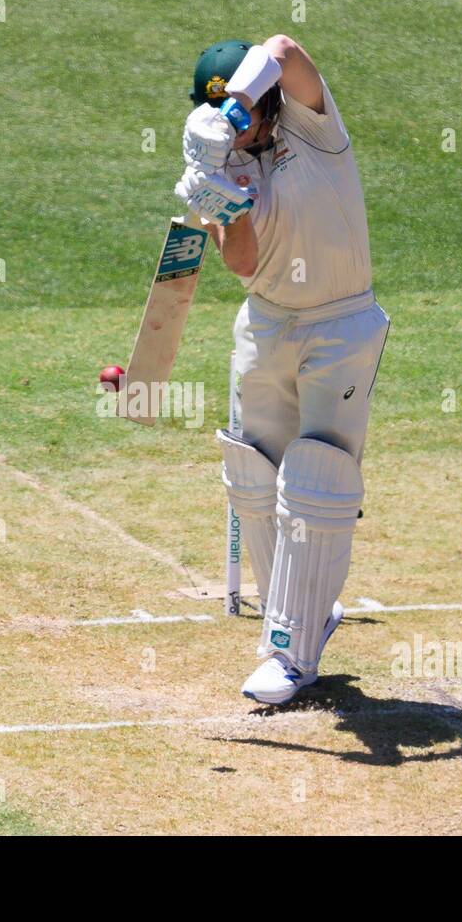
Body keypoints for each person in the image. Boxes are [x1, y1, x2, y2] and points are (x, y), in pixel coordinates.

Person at [175, 36, 389, 705]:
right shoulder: (224, 163)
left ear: (261, 103)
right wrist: (221, 200)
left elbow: (285, 48)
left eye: (239, 118)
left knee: (316, 478)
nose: (231, 134)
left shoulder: (315, 125)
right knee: (254, 474)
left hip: (339, 325)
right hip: (266, 323)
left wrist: (231, 112)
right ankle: (297, 619)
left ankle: (288, 656)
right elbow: (240, 264)